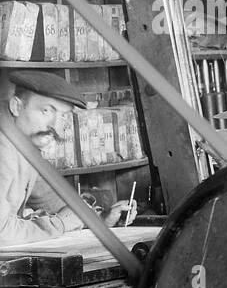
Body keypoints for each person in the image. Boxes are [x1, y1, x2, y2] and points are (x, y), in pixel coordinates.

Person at [1, 70, 136, 247]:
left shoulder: (25, 145)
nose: (55, 126)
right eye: (46, 110)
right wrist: (60, 223)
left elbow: (53, 202)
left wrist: (101, 219)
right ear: (16, 107)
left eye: (63, 116)